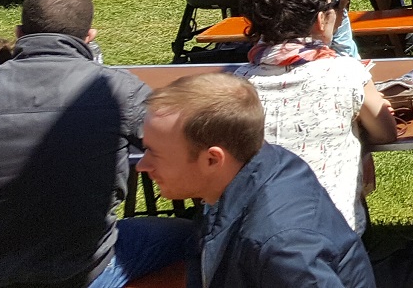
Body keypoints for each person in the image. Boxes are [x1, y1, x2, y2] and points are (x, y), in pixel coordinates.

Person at [0, 0, 194, 288]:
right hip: (81, 272)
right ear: (89, 37)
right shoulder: (119, 90)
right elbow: (186, 149)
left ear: (19, 34)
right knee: (196, 237)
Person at [136, 73, 375, 288]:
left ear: (212, 160)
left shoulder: (282, 247)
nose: (141, 165)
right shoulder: (261, 163)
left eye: (154, 153)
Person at [233, 0, 399, 230]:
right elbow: (386, 132)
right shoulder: (347, 72)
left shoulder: (237, 84)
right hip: (332, 231)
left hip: (257, 229)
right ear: (321, 20)